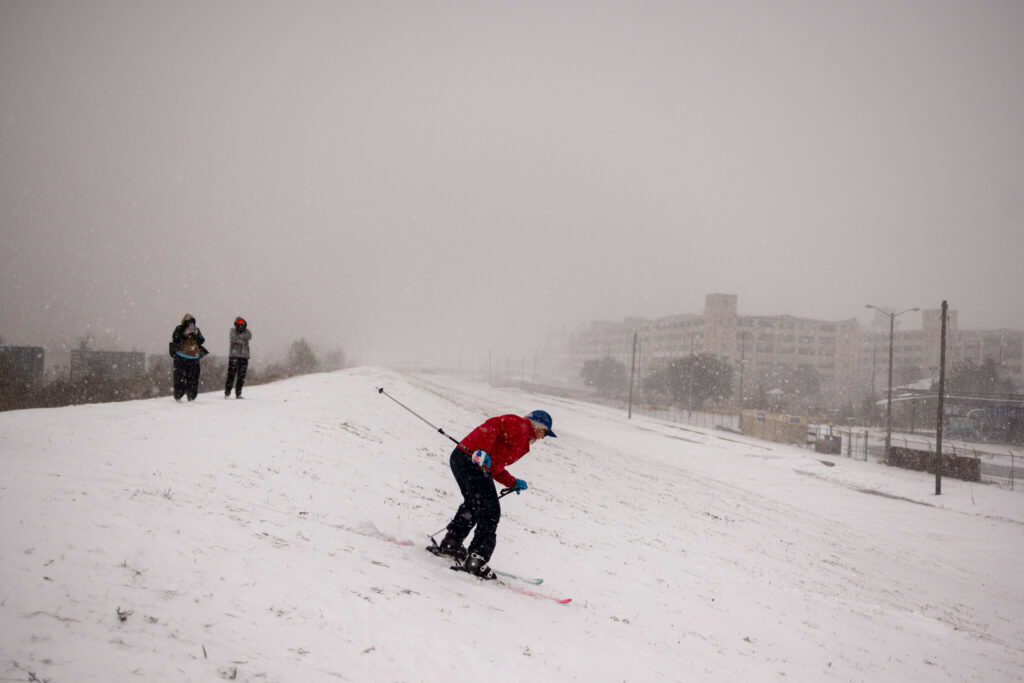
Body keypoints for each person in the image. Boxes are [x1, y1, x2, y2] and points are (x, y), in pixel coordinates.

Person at [432, 409, 556, 579]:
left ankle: (451, 544)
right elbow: (492, 426)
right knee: (490, 511)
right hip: (470, 458)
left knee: (475, 504)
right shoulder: (520, 425)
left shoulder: (522, 440)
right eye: (545, 432)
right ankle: (477, 559)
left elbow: (494, 467)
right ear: (538, 426)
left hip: (463, 459)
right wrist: (482, 450)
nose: (543, 437)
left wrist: (512, 482)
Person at [168, 314, 207, 401]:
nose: (190, 324)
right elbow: (175, 338)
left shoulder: (196, 330)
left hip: (194, 357)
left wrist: (195, 334)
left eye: (192, 322)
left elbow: (201, 340)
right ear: (184, 322)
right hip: (181, 357)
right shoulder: (179, 328)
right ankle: (178, 396)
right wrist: (185, 334)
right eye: (188, 322)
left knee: (193, 379)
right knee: (179, 378)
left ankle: (191, 396)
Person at [224, 316, 252, 399]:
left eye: (242, 324)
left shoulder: (247, 331)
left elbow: (249, 336)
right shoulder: (232, 330)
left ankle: (238, 393)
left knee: (241, 377)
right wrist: (243, 340)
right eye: (239, 324)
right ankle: (227, 393)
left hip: (244, 357)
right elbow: (233, 338)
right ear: (236, 324)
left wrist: (238, 339)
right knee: (231, 375)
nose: (241, 326)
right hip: (234, 357)